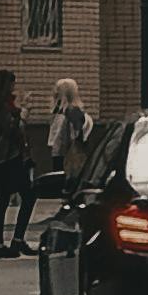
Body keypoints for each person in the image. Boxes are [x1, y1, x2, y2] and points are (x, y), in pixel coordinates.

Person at [0, 68, 35, 258]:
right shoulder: (0, 106)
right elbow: (12, 127)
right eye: (12, 84)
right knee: (28, 195)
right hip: (9, 158)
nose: (14, 88)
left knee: (2, 201)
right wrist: (25, 111)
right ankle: (17, 240)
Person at [34, 77, 94, 210]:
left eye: (57, 89)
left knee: (67, 184)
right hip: (62, 152)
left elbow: (76, 134)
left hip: (66, 154)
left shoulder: (71, 111)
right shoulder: (62, 112)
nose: (54, 92)